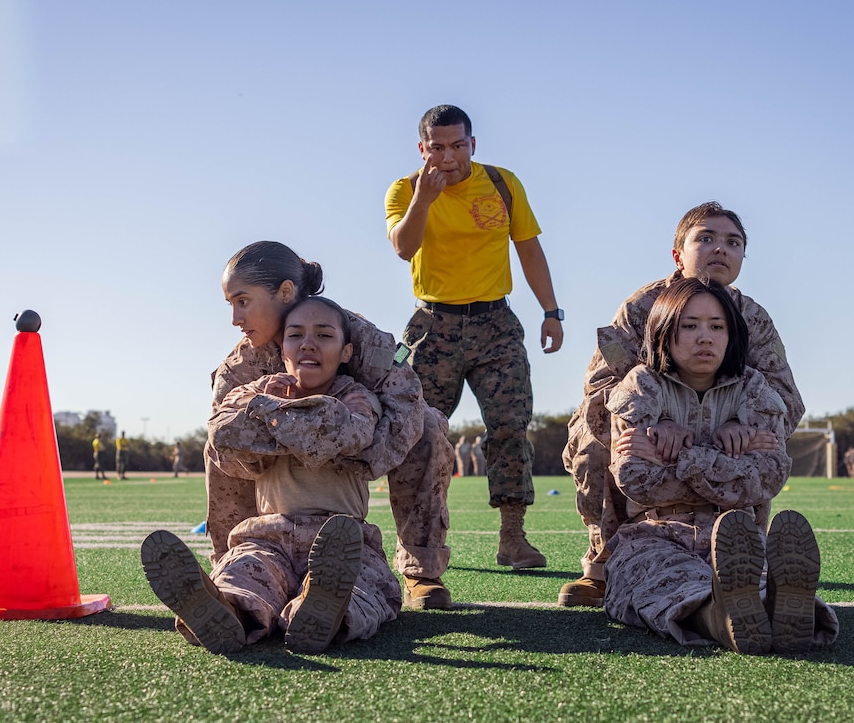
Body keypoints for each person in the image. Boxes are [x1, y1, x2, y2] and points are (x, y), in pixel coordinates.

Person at [561, 201, 805, 607]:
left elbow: (785, 396)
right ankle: (604, 562)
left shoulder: (753, 318)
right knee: (592, 438)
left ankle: (744, 552)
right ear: (678, 255)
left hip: (724, 427)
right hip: (652, 431)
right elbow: (602, 385)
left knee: (766, 440)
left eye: (733, 242)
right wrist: (652, 422)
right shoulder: (643, 308)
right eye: (705, 238)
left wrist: (744, 426)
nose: (720, 249)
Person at [142, 297, 401, 655]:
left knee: (363, 585)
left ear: (346, 353)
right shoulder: (258, 389)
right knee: (244, 573)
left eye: (324, 335)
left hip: (339, 541)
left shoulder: (357, 396)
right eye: (295, 335)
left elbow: (349, 432)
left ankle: (321, 611)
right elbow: (223, 430)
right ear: (282, 349)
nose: (308, 344)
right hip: (269, 538)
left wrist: (271, 414)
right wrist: (285, 417)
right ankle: (226, 612)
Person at [204, 241, 456, 610]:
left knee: (429, 426)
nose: (234, 318)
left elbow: (405, 405)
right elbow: (224, 435)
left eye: (243, 301)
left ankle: (422, 570)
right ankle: (233, 570)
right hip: (283, 474)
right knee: (214, 446)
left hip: (355, 449)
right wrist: (304, 433)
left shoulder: (357, 337)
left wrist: (345, 445)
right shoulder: (241, 365)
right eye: (231, 304)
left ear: (285, 292)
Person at [604, 278, 838, 654]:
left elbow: (767, 478)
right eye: (690, 326)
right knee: (663, 582)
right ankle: (722, 618)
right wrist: (727, 455)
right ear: (664, 332)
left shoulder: (753, 388)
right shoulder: (642, 386)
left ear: (731, 336)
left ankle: (780, 612)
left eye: (717, 326)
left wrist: (681, 453)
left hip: (736, 537)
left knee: (757, 578)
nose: (705, 337)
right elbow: (637, 480)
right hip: (655, 535)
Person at [385, 104, 563, 570]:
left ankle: (513, 537)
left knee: (510, 426)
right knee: (421, 434)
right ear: (422, 149)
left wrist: (551, 311)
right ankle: (418, 543)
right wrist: (424, 200)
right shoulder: (405, 190)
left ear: (473, 144)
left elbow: (529, 249)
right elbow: (403, 247)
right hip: (433, 327)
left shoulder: (502, 183)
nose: (449, 157)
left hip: (495, 323)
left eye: (458, 146)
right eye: (438, 147)